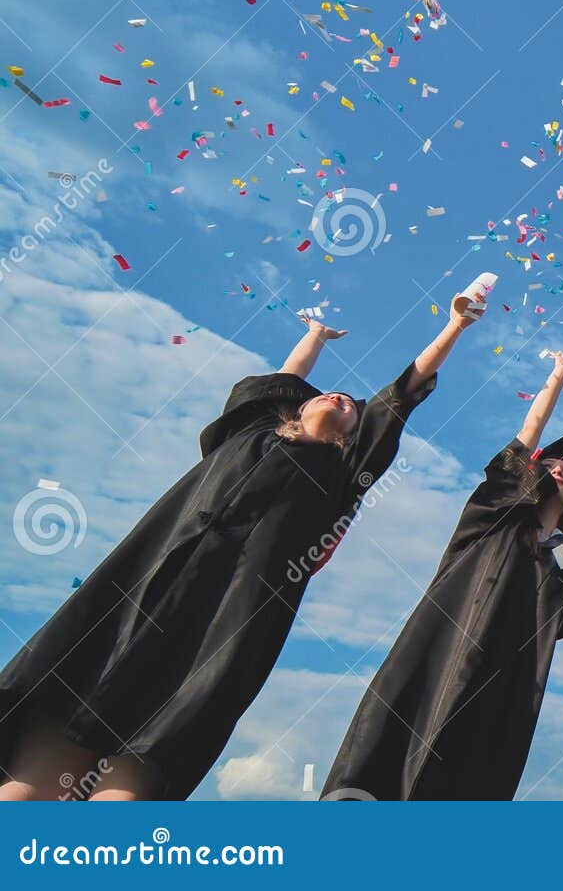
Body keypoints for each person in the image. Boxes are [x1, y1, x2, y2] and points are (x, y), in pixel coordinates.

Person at [0, 298, 482, 801]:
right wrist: (315, 336)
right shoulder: (248, 432)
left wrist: (453, 326)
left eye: (349, 407)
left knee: (136, 769)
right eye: (331, 395)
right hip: (141, 584)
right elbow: (286, 379)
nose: (340, 399)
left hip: (219, 623)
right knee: (40, 776)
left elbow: (402, 393)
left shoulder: (341, 474)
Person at [321, 352, 563, 800]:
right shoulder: (492, 518)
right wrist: (558, 376)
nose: (559, 472)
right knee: (387, 751)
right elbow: (525, 439)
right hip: (436, 651)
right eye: (550, 467)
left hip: (506, 679)